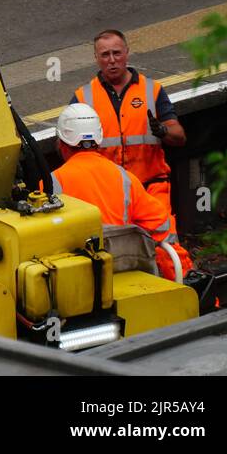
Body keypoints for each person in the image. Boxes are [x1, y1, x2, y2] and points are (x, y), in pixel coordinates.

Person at [49, 103, 194, 282]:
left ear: (61, 143)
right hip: (124, 268)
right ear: (99, 140)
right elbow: (161, 224)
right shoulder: (125, 178)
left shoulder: (51, 183)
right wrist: (189, 282)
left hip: (76, 280)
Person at [68, 28, 185, 216]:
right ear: (96, 58)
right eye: (105, 55)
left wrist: (162, 130)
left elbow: (179, 137)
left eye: (117, 53)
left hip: (151, 188)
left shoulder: (152, 90)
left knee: (163, 242)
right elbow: (65, 146)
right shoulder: (83, 97)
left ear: (127, 53)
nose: (112, 60)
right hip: (107, 192)